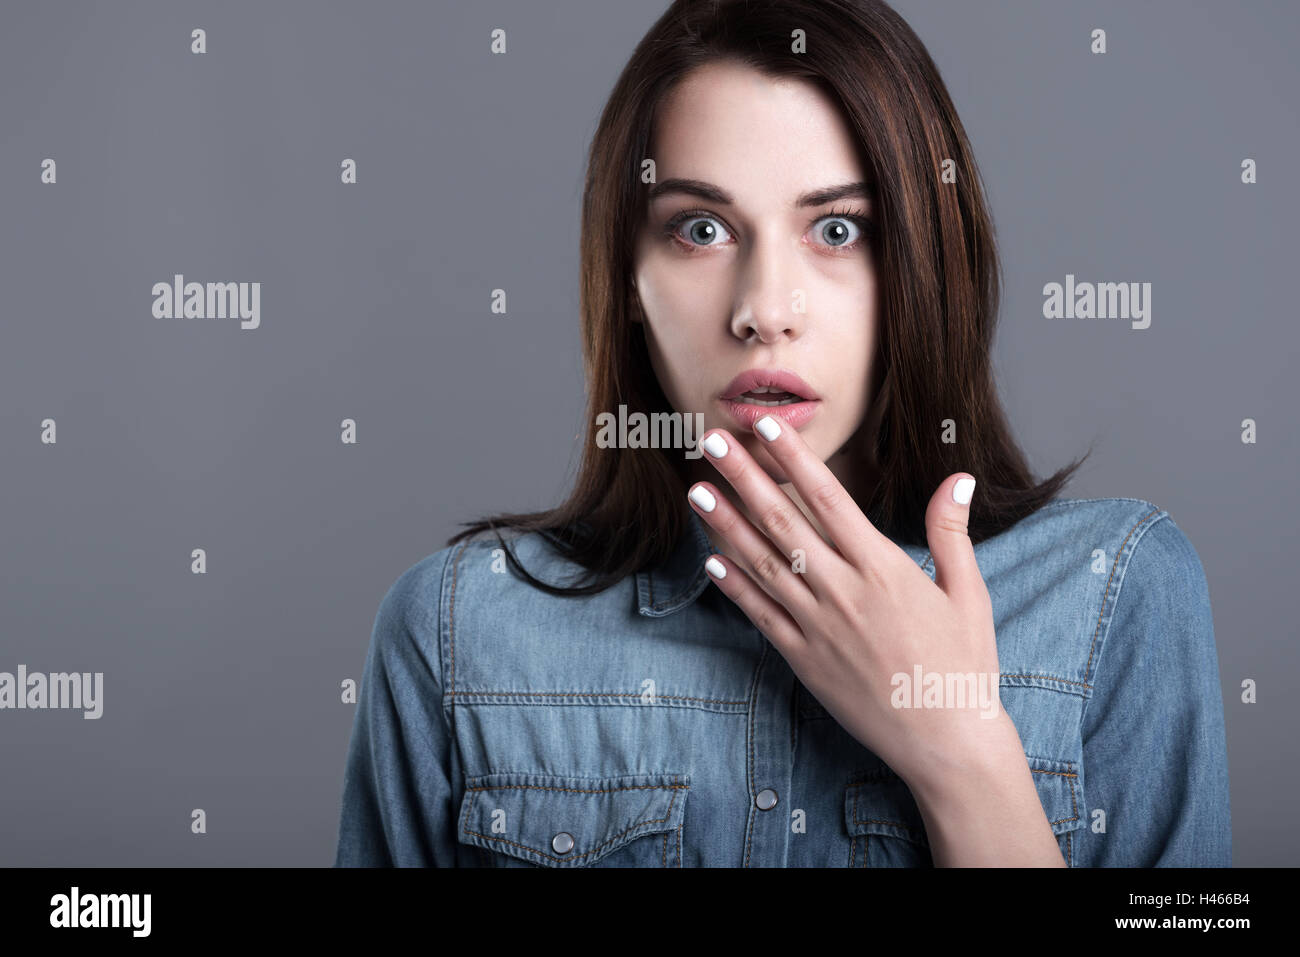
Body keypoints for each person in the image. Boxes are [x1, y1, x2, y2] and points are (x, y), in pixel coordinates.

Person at [334, 0, 1230, 867]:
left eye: (837, 230)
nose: (764, 311)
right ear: (629, 285)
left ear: (924, 267)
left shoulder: (1116, 591)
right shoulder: (458, 632)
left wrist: (963, 751)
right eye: (702, 229)